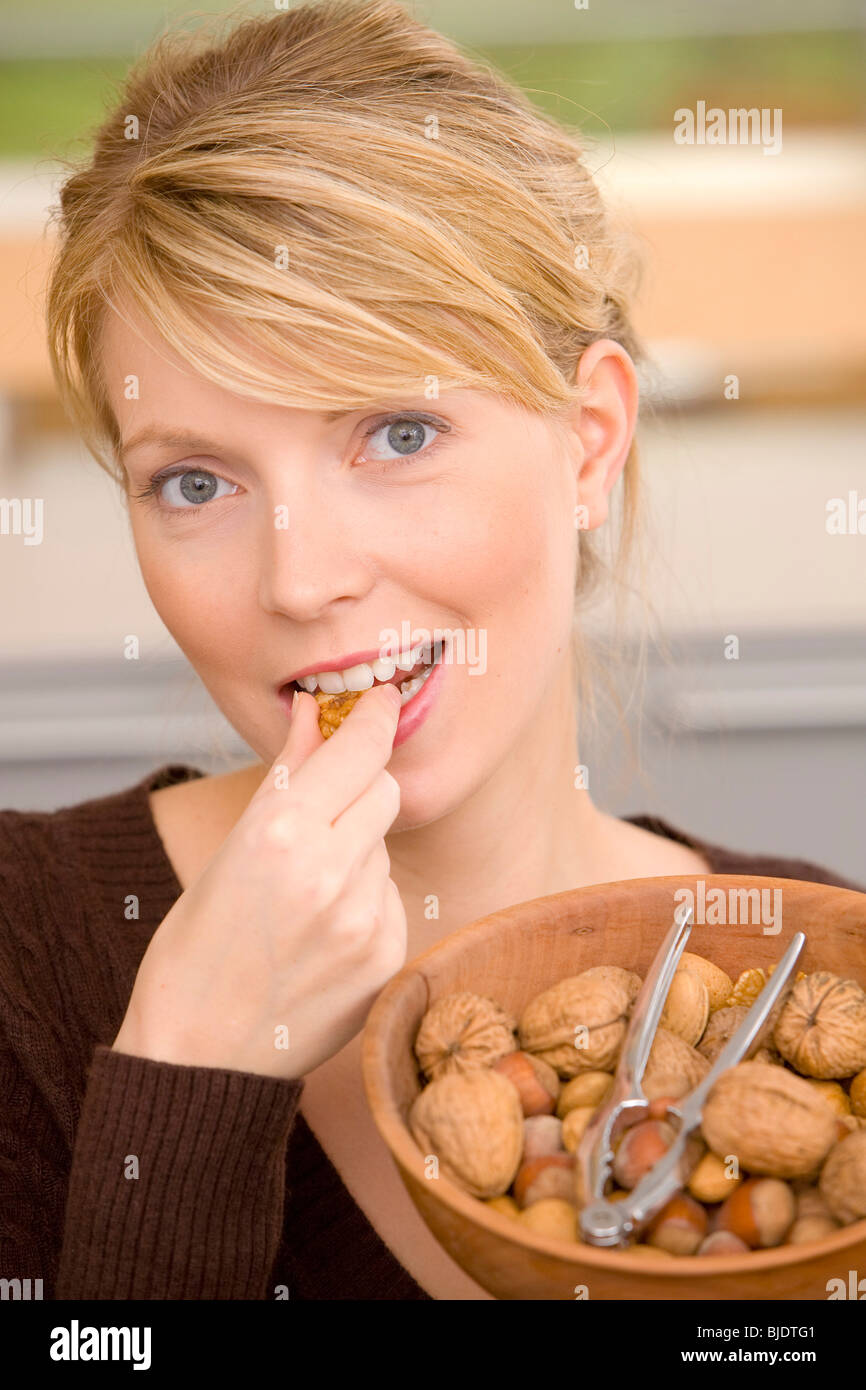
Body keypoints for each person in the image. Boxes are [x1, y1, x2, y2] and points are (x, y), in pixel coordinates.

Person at [2, 0, 862, 1301]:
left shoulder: (805, 970)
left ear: (586, 443)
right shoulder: (23, 952)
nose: (301, 579)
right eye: (194, 482)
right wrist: (187, 1075)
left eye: (395, 436)